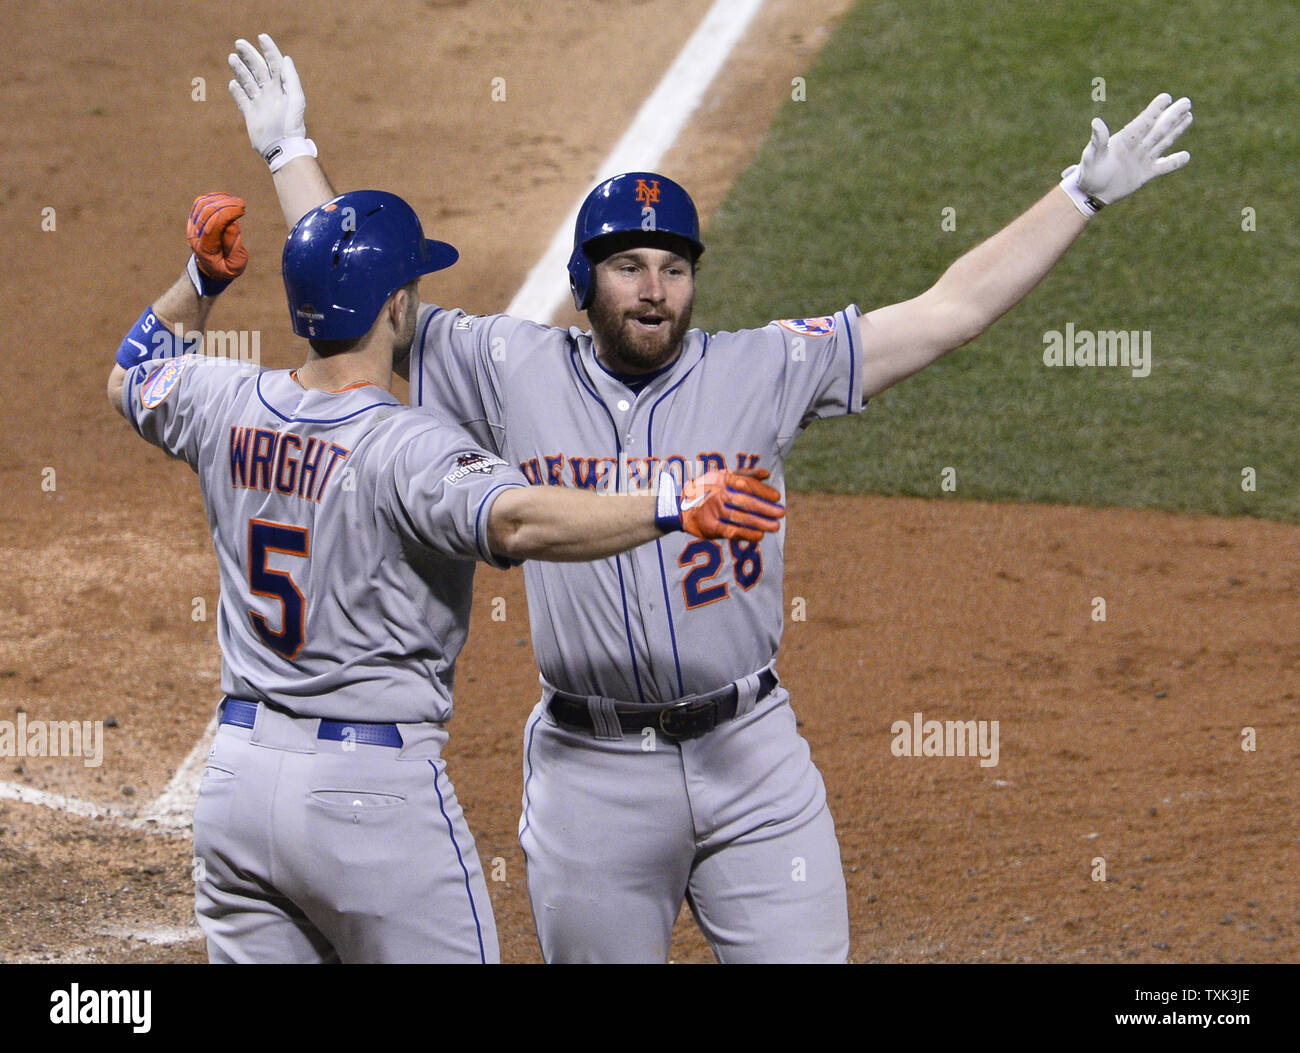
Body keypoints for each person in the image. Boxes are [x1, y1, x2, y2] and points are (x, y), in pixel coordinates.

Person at [227, 33, 1193, 962]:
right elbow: (363, 286)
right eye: (628, 266)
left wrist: (1079, 197)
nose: (655, 290)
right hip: (589, 775)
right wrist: (289, 151)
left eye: (676, 269)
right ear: (584, 281)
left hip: (752, 762)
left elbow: (949, 310)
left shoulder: (767, 366)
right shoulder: (504, 366)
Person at [106, 188, 784, 964]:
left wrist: (201, 279)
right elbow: (518, 520)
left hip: (235, 790)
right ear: (396, 307)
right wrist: (671, 505)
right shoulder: (412, 448)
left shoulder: (222, 400)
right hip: (370, 803)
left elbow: (134, 371)